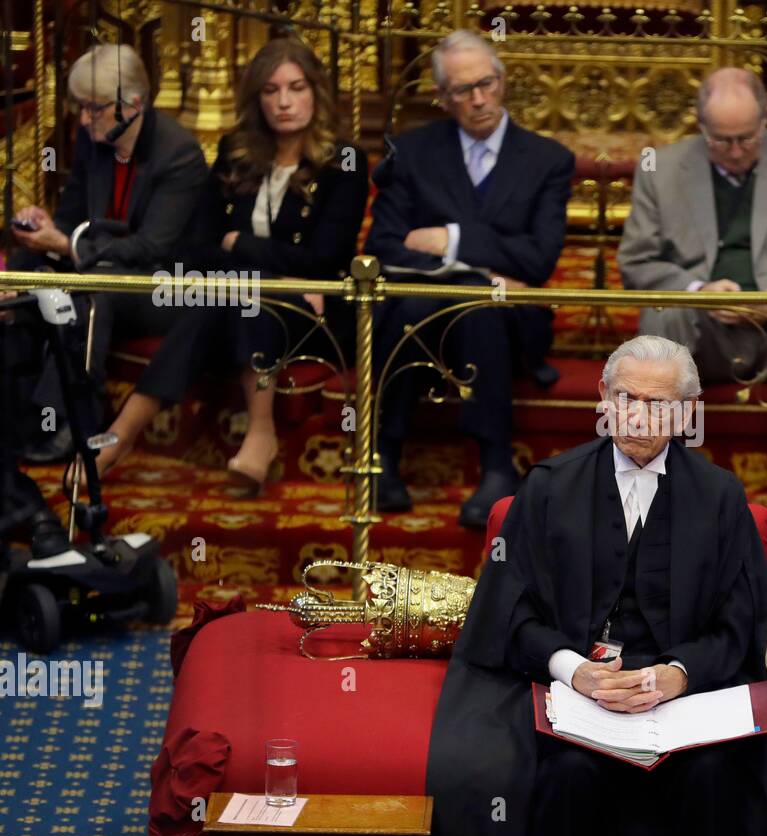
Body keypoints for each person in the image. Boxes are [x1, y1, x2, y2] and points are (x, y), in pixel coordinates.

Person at [426, 335, 767, 836]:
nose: (637, 418)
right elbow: (507, 615)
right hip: (574, 700)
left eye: (657, 404)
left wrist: (677, 676)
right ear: (602, 395)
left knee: (718, 778)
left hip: (686, 705)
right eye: (624, 399)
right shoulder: (549, 488)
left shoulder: (720, 499)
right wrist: (577, 673)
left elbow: (737, 631)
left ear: (688, 412)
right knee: (567, 775)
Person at [92, 39, 369, 492]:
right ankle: (260, 435)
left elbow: (327, 257)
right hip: (241, 296)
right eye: (270, 90)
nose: (283, 102)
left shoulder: (346, 161)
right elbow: (193, 248)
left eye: (296, 88)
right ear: (255, 98)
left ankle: (121, 433)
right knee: (237, 296)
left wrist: (240, 241)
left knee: (233, 294)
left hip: (315, 310)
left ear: (316, 92)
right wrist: (271, 270)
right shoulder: (235, 152)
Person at [618, 67, 767, 530]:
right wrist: (698, 293)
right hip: (703, 332)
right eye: (721, 140)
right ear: (699, 125)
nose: (735, 152)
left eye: (747, 139)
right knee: (660, 312)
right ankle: (663, 466)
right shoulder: (662, 167)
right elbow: (637, 260)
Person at [364, 29, 575, 525]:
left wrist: (450, 239)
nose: (478, 100)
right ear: (442, 97)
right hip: (423, 309)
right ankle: (384, 460)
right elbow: (384, 247)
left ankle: (496, 464)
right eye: (462, 90)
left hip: (510, 321)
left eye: (487, 84)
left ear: (502, 83)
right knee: (423, 304)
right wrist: (482, 270)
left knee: (482, 306)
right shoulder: (411, 153)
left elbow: (539, 259)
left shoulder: (547, 159)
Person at [6, 44, 207, 462]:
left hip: (166, 285)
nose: (82, 118)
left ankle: (73, 420)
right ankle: (20, 410)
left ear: (133, 105)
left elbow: (151, 247)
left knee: (94, 291)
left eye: (93, 108)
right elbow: (73, 216)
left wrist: (67, 245)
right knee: (29, 270)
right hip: (103, 264)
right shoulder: (93, 141)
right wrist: (46, 229)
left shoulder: (179, 153)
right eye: (79, 106)